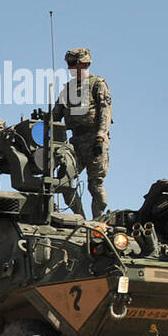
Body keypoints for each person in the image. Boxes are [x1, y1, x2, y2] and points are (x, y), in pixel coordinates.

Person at [52, 47, 112, 218]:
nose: (70, 67)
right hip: (75, 141)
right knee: (62, 181)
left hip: (94, 139)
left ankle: (98, 221)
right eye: (69, 64)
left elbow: (105, 111)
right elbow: (56, 114)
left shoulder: (97, 84)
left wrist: (101, 135)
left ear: (83, 64)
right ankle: (80, 218)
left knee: (95, 184)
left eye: (73, 63)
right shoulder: (68, 89)